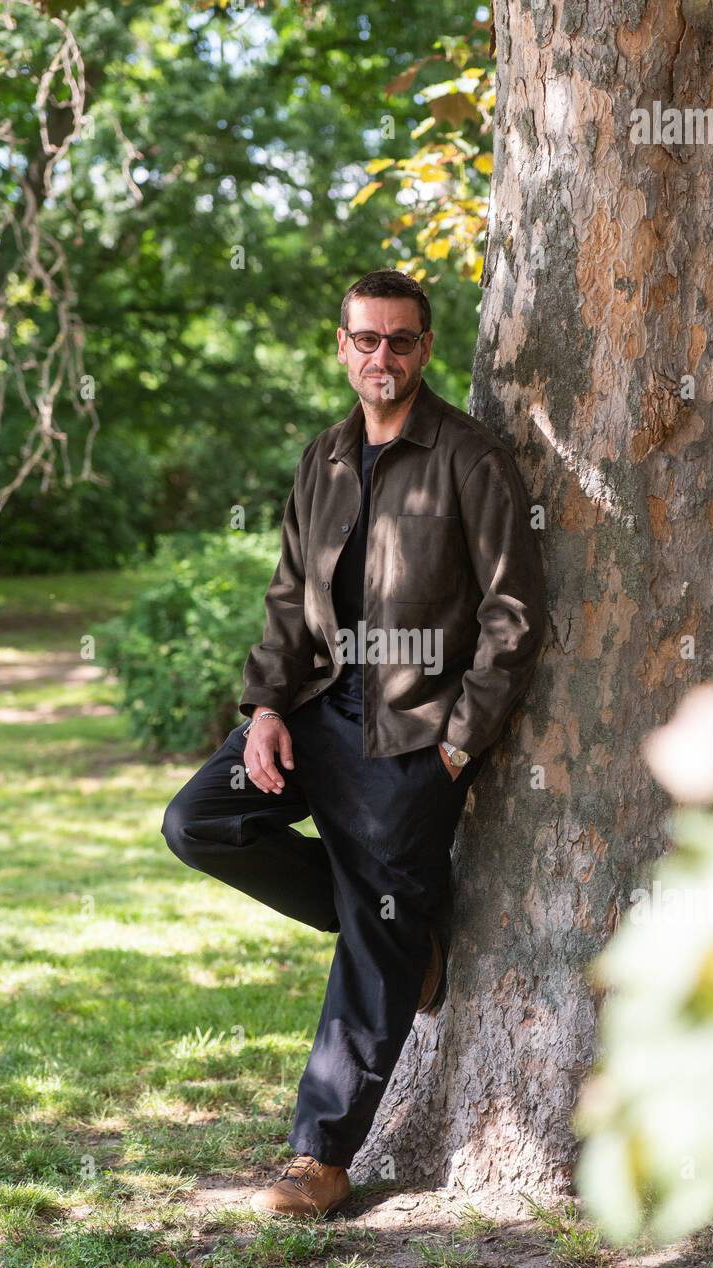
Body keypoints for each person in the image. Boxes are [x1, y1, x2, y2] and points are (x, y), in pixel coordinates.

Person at [161, 268, 546, 1218]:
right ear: (342, 346)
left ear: (425, 348)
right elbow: (292, 599)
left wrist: (459, 743)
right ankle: (400, 931)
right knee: (198, 821)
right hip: (318, 709)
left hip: (413, 729)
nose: (383, 358)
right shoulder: (323, 457)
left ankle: (320, 1159)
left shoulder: (470, 457)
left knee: (374, 933)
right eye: (366, 340)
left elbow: (515, 614)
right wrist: (264, 711)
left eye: (401, 341)